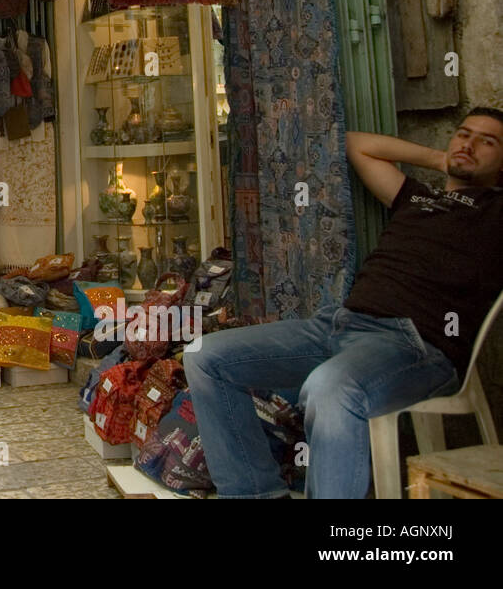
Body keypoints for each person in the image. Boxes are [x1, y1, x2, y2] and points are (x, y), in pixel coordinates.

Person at [185, 108, 503, 499]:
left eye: (487, 142)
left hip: (413, 344)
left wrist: (467, 165)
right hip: (337, 325)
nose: (468, 144)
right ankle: (256, 494)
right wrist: (443, 159)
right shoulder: (418, 196)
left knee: (329, 388)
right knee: (204, 355)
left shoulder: (495, 212)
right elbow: (355, 144)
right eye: (463, 134)